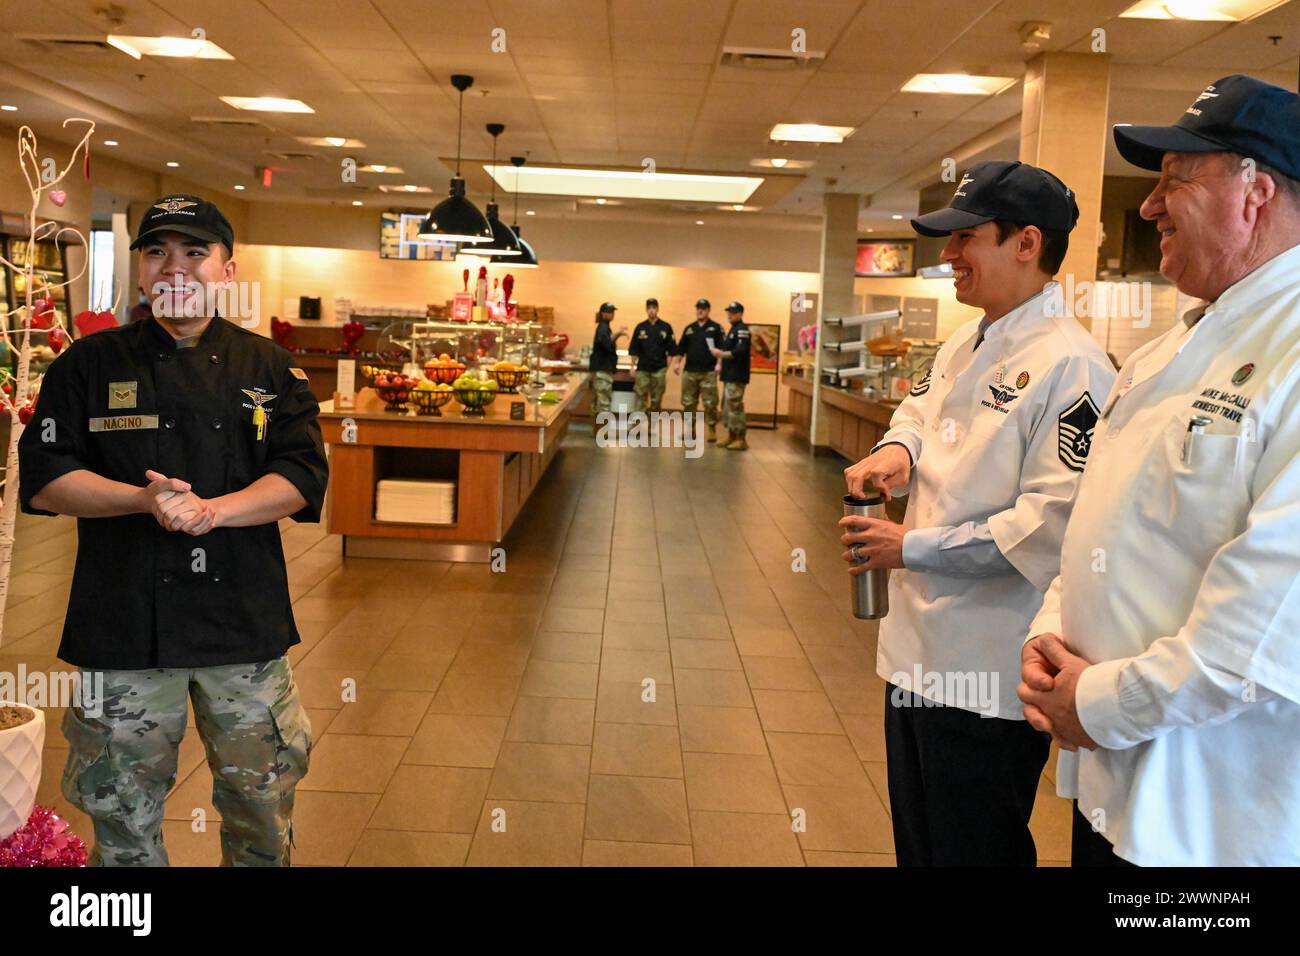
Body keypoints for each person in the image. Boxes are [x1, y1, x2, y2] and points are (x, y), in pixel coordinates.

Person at [1018, 74, 1300, 866]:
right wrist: (1051, 635)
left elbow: (1268, 629)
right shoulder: (1166, 350)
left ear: (1258, 192)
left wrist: (1098, 702)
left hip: (1215, 823)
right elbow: (1100, 520)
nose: (1147, 206)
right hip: (1115, 781)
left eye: (1177, 180)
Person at [17, 194, 328, 866]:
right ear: (139, 270)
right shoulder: (87, 365)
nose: (174, 267)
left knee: (261, 806)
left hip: (242, 623)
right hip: (122, 621)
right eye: (157, 252)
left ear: (227, 268)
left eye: (195, 252)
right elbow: (44, 477)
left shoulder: (271, 369)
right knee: (121, 810)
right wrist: (143, 499)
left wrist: (213, 510)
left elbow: (302, 477)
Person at [840, 161, 1116, 865]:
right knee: (921, 845)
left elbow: (1046, 528)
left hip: (986, 667)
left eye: (966, 237)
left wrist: (912, 547)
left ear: (1027, 243)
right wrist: (896, 453)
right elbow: (916, 412)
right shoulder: (968, 339)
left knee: (974, 849)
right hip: (914, 655)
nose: (948, 254)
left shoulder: (1071, 365)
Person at [673, 298, 725, 442]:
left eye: (703, 308)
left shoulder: (716, 328)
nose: (700, 311)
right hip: (690, 371)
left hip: (708, 371)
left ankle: (712, 429)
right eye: (698, 308)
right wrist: (677, 363)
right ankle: (690, 430)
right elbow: (681, 348)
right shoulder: (689, 329)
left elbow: (722, 348)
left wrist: (719, 364)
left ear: (708, 310)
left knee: (710, 403)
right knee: (689, 403)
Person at [711, 301, 751, 450]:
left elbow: (741, 350)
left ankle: (741, 438)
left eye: (733, 312)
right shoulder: (733, 329)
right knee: (727, 407)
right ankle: (731, 436)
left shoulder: (742, 330)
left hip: (737, 375)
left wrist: (722, 354)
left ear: (740, 314)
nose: (729, 314)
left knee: (735, 405)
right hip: (729, 375)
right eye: (728, 312)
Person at [628, 297, 674, 413]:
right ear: (646, 310)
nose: (651, 310)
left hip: (659, 369)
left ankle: (652, 426)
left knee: (656, 400)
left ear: (658, 309)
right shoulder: (640, 327)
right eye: (649, 308)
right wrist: (632, 367)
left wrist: (665, 368)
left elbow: (672, 350)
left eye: (654, 308)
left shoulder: (665, 327)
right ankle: (638, 428)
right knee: (640, 398)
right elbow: (634, 349)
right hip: (643, 369)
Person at [589, 301, 626, 426]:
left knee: (598, 401)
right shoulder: (603, 328)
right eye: (610, 312)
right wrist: (618, 334)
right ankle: (602, 431)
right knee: (604, 402)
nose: (613, 314)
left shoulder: (604, 327)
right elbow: (607, 345)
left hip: (601, 369)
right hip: (603, 370)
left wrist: (616, 335)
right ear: (603, 313)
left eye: (613, 312)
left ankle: (597, 428)